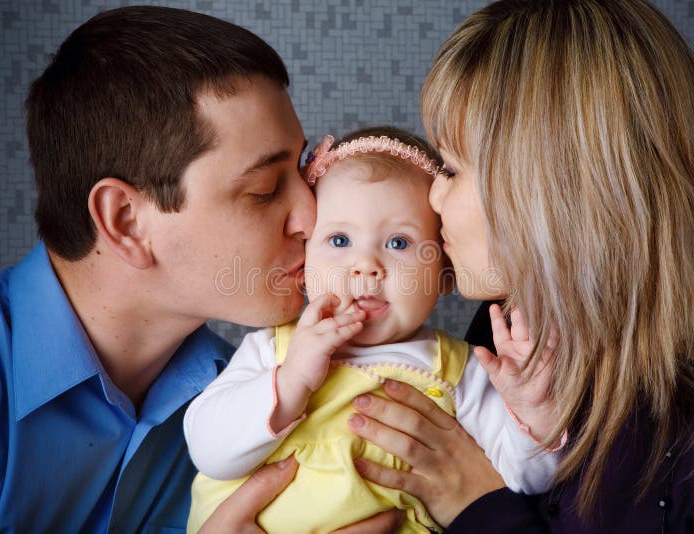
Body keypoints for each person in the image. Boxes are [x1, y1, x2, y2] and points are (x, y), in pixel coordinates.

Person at [0, 7, 400, 532]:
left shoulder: (261, 392)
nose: (312, 217)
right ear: (126, 221)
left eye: (302, 171)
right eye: (265, 190)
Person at [342, 0, 694, 532]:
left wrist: (475, 503)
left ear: (553, 193)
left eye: (450, 169)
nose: (432, 198)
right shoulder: (505, 331)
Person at [183, 126, 565, 533]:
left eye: (399, 243)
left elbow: (524, 479)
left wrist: (535, 412)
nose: (366, 265)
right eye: (339, 240)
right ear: (305, 262)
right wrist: (290, 381)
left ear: (444, 273)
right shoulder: (273, 349)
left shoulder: (463, 369)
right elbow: (209, 451)